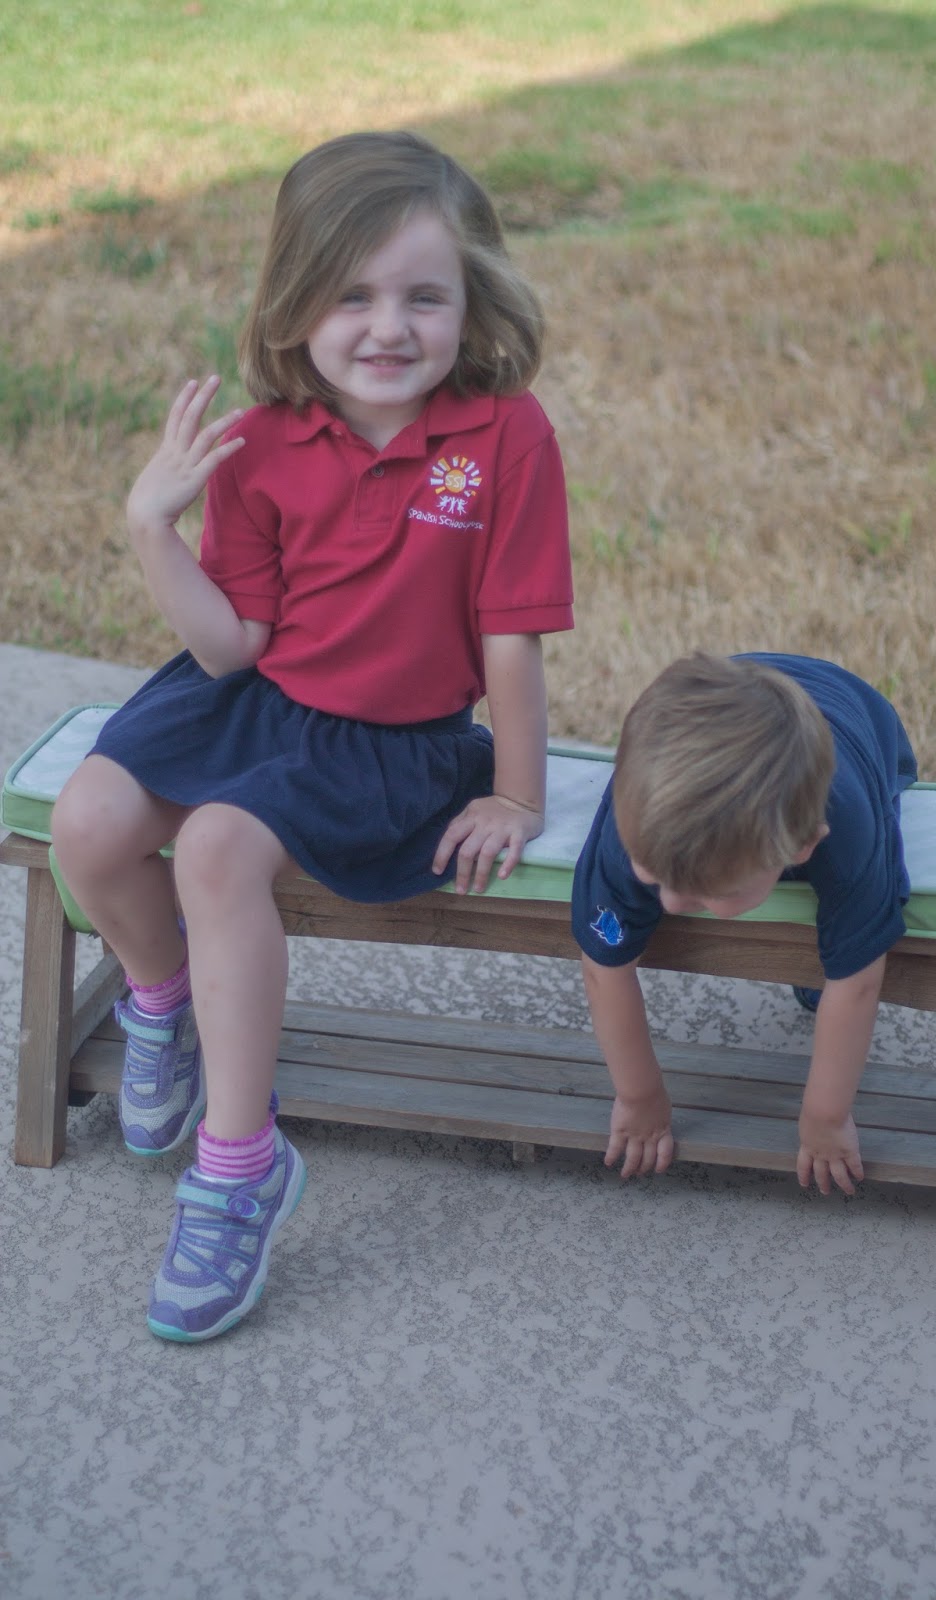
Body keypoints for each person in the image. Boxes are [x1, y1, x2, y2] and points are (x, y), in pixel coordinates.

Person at [51, 130, 573, 1342]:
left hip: (388, 740)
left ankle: (238, 1170)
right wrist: (151, 529)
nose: (386, 327)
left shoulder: (504, 436)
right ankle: (158, 996)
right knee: (89, 819)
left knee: (218, 847)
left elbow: (512, 639)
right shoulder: (264, 441)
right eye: (350, 294)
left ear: (469, 300)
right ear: (294, 304)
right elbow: (231, 646)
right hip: (248, 699)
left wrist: (518, 793)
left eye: (421, 296)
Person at [571, 652, 917, 1198]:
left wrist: (826, 1118)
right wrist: (639, 1098)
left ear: (803, 846)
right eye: (654, 875)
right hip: (721, 715)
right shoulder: (630, 820)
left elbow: (860, 984)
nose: (674, 903)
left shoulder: (848, 832)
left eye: (713, 891)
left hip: (858, 719)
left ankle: (811, 962)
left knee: (854, 927)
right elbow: (603, 966)